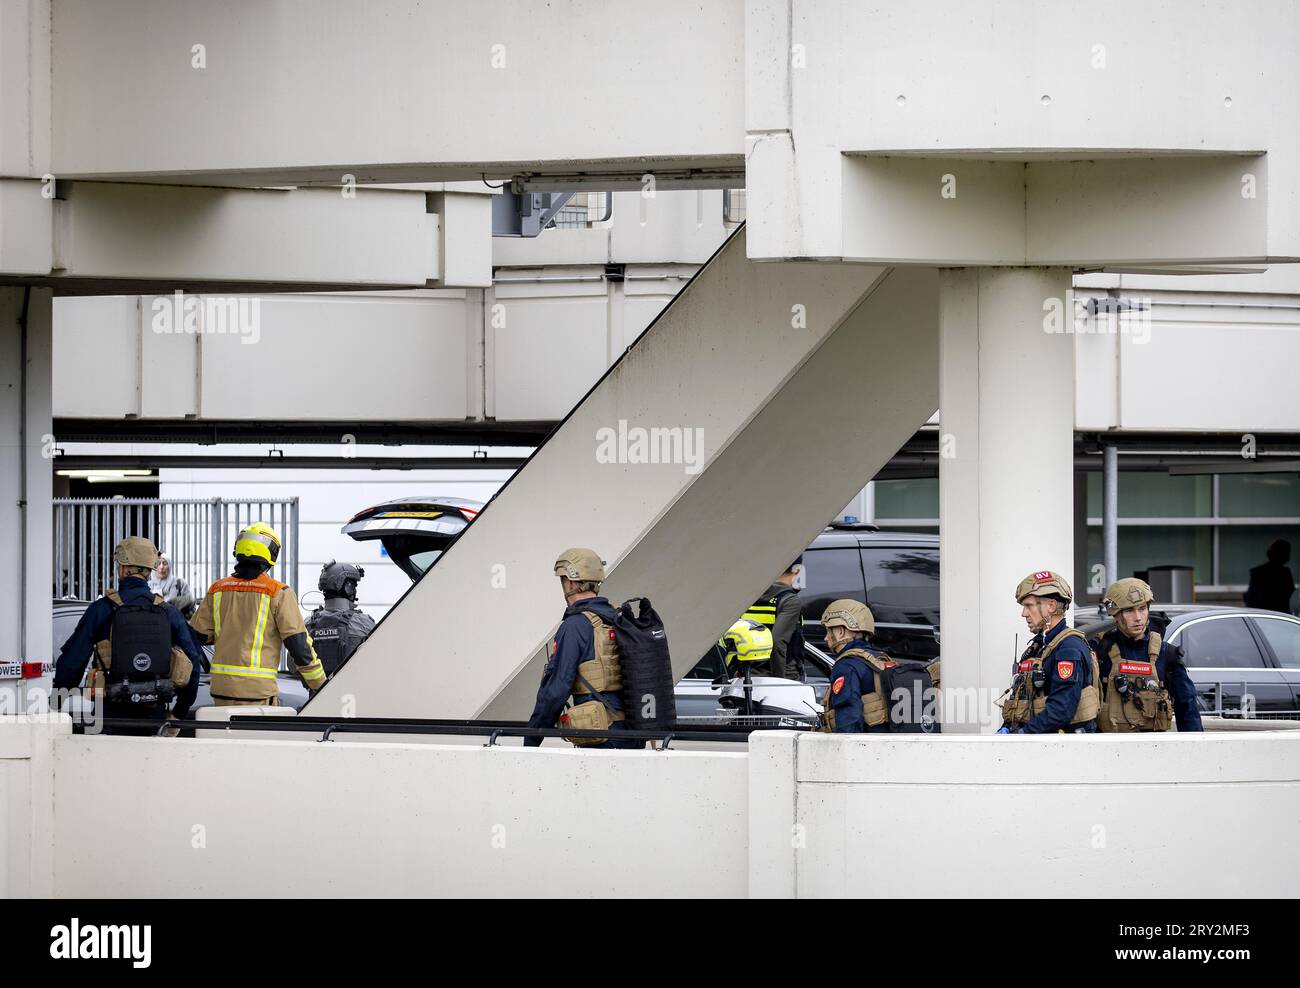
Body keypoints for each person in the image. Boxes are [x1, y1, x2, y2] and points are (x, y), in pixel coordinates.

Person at [53, 536, 203, 735]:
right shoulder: (169, 612)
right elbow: (193, 663)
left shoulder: (101, 609)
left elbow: (71, 663)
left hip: (108, 719)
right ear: (149, 571)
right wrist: (178, 713)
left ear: (123, 567)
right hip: (155, 721)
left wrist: (54, 706)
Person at [189, 522, 326, 706]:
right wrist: (320, 684)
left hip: (221, 690)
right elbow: (299, 647)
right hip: (258, 693)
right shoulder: (278, 592)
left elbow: (199, 636)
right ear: (271, 553)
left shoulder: (217, 589)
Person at [524, 548, 644, 749]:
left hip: (601, 738)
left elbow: (555, 689)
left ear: (570, 582)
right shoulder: (619, 619)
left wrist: (531, 739)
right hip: (633, 734)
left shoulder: (576, 625)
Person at [1092, 578, 1202, 732]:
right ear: (1115, 614)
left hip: (1153, 748)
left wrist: (1195, 749)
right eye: (1129, 610)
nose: (1138, 617)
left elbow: (1187, 708)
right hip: (1107, 747)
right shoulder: (1099, 651)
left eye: (1142, 608)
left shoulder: (1167, 653)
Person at [998, 571, 1100, 735]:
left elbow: (1060, 710)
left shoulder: (1069, 648)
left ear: (1051, 606)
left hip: (1061, 750)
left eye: (1029, 606)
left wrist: (1023, 734)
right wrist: (1009, 726)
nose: (1024, 613)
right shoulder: (1040, 646)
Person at [819, 599, 894, 734]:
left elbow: (849, 715)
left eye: (829, 632)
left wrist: (847, 751)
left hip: (864, 749)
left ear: (840, 631)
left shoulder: (847, 665)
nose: (826, 638)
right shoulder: (881, 659)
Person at [304, 560, 376, 676]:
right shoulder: (364, 623)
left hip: (317, 693)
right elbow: (377, 660)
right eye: (354, 585)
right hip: (354, 692)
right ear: (348, 587)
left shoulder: (306, 625)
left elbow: (293, 665)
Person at [741, 557, 804, 679]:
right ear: (797, 570)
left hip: (747, 675)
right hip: (783, 675)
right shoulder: (790, 601)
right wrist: (778, 681)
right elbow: (777, 642)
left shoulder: (750, 597)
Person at [1244, 539, 1296, 614]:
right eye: (1287, 552)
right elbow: (1253, 599)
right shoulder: (1260, 573)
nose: (1289, 555)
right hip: (1267, 614)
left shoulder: (1285, 572)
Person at [149, 551, 196, 618]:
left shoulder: (179, 584)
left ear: (170, 566)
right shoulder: (148, 586)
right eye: (158, 563)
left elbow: (192, 606)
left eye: (165, 563)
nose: (161, 567)